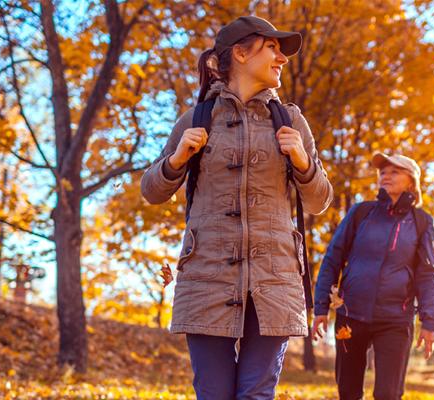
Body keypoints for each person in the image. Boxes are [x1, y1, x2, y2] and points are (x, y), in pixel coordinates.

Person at [141, 15, 333, 400]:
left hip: (274, 280)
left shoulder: (291, 120)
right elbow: (152, 191)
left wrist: (302, 162)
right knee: (213, 394)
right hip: (207, 277)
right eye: (272, 48)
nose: (282, 58)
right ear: (241, 53)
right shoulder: (196, 118)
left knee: (256, 394)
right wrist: (177, 160)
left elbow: (319, 201)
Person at [312, 153, 434, 400]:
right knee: (348, 393)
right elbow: (332, 259)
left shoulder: (422, 222)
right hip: (351, 316)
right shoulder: (361, 213)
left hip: (395, 320)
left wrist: (429, 322)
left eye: (394, 172)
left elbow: (428, 274)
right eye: (383, 172)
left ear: (411, 181)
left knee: (388, 394)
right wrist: (320, 308)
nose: (385, 176)